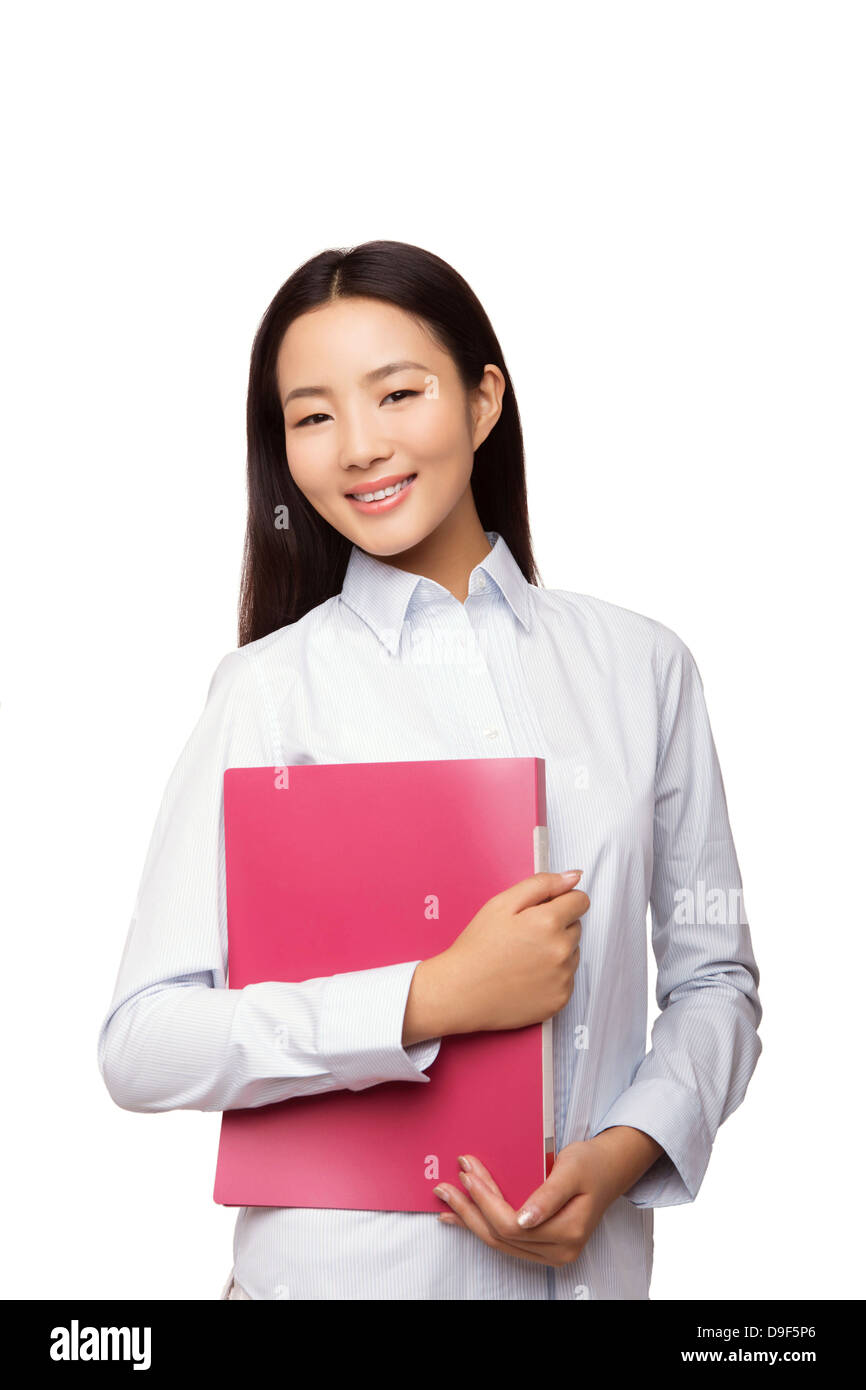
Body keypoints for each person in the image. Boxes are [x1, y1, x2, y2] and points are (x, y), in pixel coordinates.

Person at [96, 239, 762, 1301]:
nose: (359, 446)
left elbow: (713, 980)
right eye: (312, 416)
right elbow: (143, 1040)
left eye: (397, 393)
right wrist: (428, 997)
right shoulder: (266, 692)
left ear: (482, 399)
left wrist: (625, 1148)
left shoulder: (643, 665)